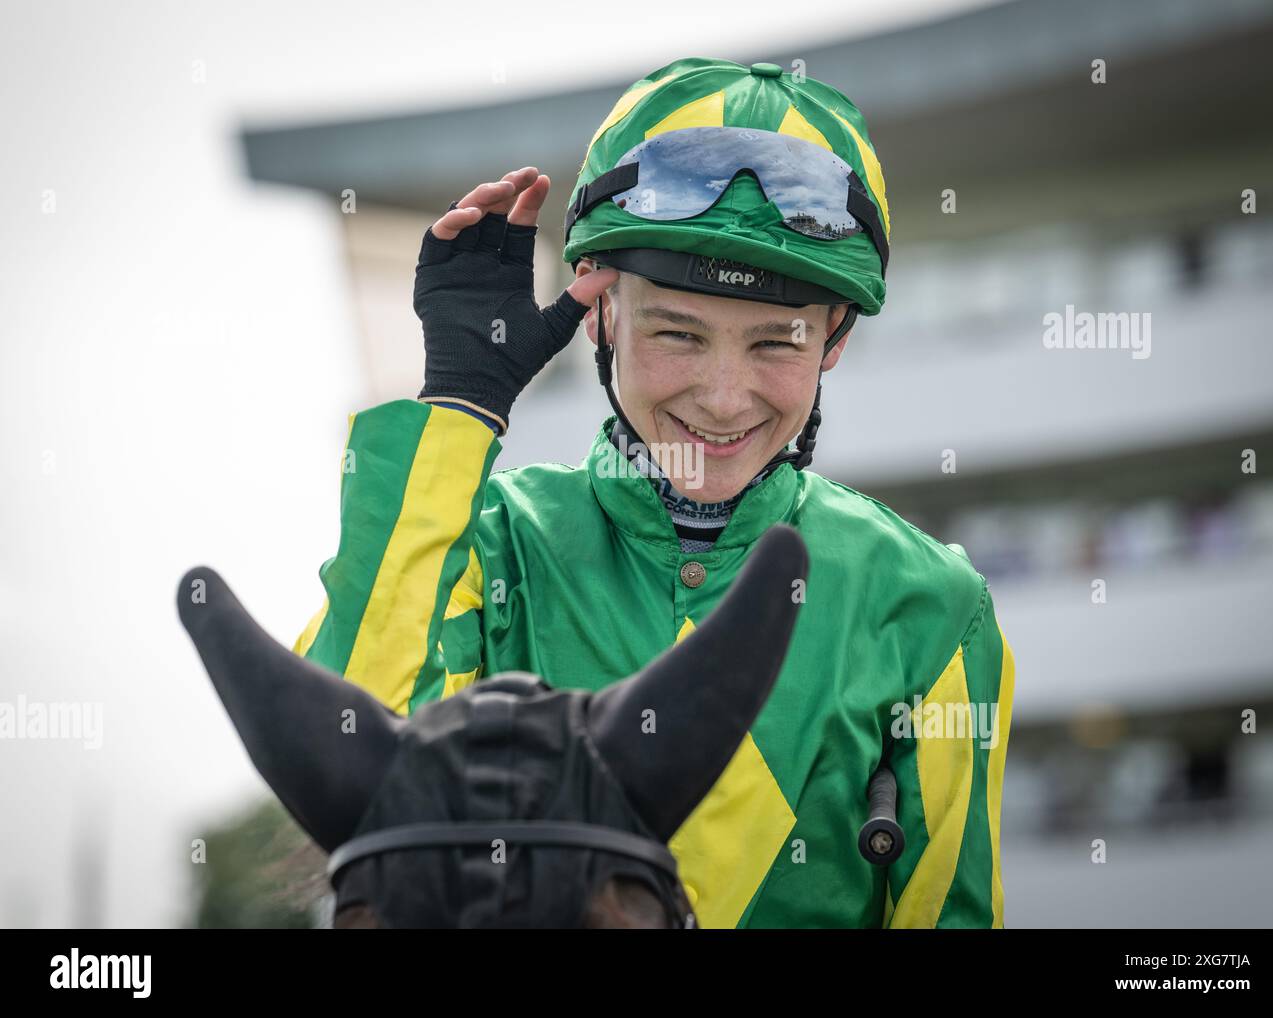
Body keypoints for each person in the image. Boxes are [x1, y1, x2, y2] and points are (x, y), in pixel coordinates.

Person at [293, 57, 1015, 928]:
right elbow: (343, 761)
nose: (721, 395)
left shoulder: (932, 607)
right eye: (678, 332)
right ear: (599, 311)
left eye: (775, 345)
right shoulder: (486, 544)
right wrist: (459, 404)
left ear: (835, 339)